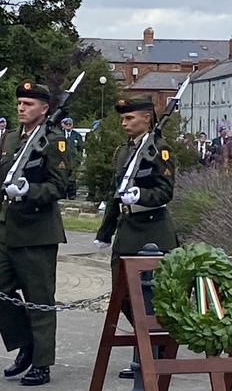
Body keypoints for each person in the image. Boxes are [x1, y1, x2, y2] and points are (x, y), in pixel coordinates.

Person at [0, 81, 70, 388]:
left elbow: (58, 186)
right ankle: (26, 343)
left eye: (29, 104)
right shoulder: (11, 138)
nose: (21, 108)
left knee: (39, 298)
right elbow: (0, 184)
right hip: (6, 228)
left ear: (44, 108)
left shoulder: (53, 140)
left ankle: (42, 362)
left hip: (37, 231)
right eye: (20, 103)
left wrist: (29, 190)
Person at [94, 94, 178, 369]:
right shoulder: (125, 151)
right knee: (123, 295)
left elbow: (165, 191)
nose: (124, 123)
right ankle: (149, 345)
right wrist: (105, 232)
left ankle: (154, 352)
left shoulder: (159, 149)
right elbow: (115, 193)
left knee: (151, 297)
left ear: (146, 117)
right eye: (122, 118)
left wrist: (141, 195)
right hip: (127, 230)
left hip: (152, 232)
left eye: (130, 118)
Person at [60, 116, 84, 199]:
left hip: (73, 160)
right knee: (62, 177)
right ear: (63, 125)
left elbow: (80, 149)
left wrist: (78, 160)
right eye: (66, 124)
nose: (68, 125)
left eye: (70, 124)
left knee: (72, 178)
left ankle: (72, 194)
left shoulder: (77, 135)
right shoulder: (59, 135)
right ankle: (62, 194)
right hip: (62, 161)